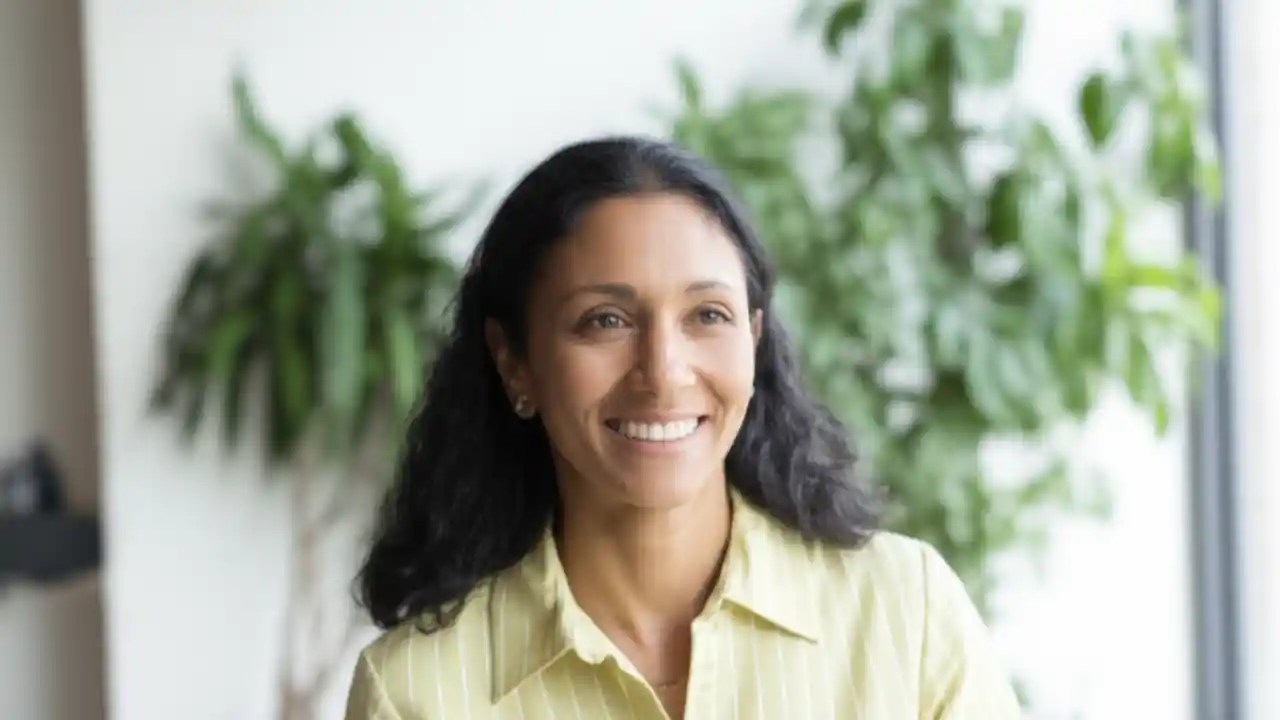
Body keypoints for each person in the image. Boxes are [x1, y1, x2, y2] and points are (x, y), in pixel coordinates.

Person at [343, 137, 1021, 719]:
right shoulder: (417, 693)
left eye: (708, 315)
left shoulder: (908, 610)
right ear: (514, 362)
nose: (663, 374)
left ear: (753, 341)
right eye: (605, 320)